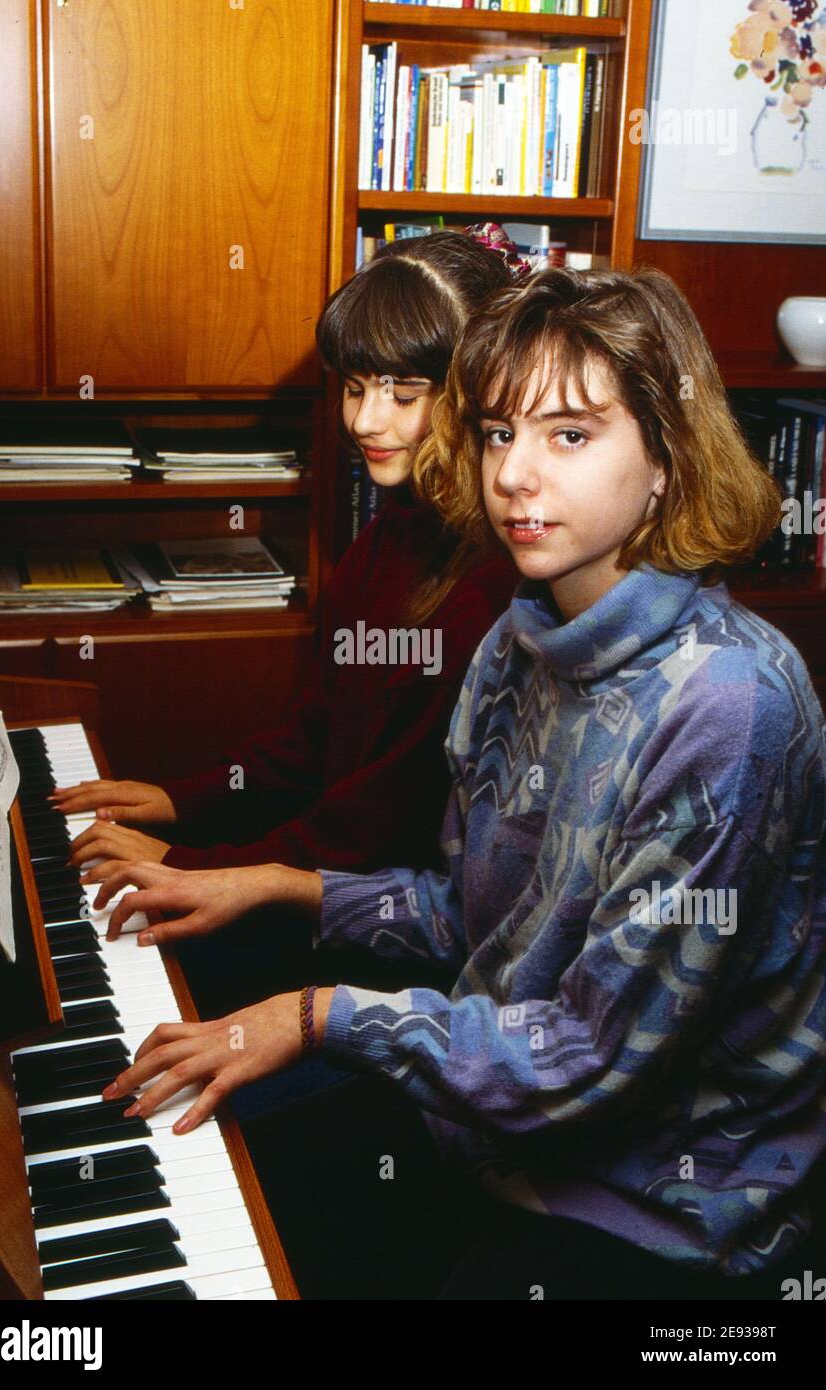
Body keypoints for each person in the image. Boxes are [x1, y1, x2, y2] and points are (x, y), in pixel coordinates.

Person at [89, 266, 826, 1299]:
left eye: (568, 434)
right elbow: (469, 913)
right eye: (494, 432)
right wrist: (264, 883)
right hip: (484, 1120)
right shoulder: (520, 641)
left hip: (657, 1208)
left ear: (664, 453)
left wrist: (314, 1015)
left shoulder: (726, 702)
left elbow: (590, 1055)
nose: (514, 474)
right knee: (176, 1149)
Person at [52, 233, 515, 887]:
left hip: (382, 924)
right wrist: (182, 800)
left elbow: (370, 834)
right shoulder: (389, 537)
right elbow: (317, 737)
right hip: (323, 876)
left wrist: (188, 865)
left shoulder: (489, 592)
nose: (363, 420)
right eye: (353, 388)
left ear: (477, 394)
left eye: (403, 396)